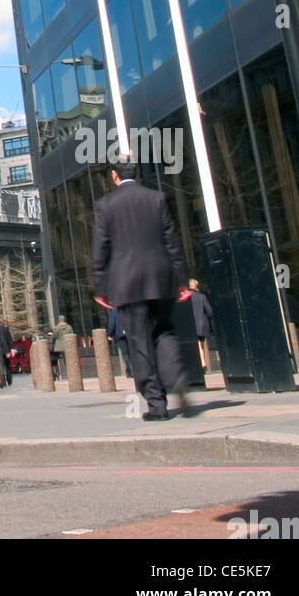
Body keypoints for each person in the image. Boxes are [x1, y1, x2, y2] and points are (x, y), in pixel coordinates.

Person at [92, 162, 191, 421]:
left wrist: (101, 286)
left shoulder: (105, 205)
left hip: (127, 283)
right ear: (136, 174)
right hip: (161, 279)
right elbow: (172, 241)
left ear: (114, 175)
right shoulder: (156, 198)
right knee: (164, 331)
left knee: (139, 341)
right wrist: (182, 280)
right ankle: (176, 377)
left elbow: (101, 248)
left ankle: (157, 405)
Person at [189, 279, 214, 370]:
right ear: (196, 286)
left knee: (197, 343)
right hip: (202, 324)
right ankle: (204, 362)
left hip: (191, 324)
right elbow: (210, 311)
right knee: (202, 343)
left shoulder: (186, 298)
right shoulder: (202, 297)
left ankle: (201, 361)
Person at [106, 306, 132, 378]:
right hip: (129, 333)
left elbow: (112, 324)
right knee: (130, 352)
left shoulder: (114, 311)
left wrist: (110, 334)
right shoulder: (127, 308)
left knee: (125, 354)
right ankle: (129, 371)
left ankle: (131, 371)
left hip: (119, 334)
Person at [51, 316, 74, 381]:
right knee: (69, 360)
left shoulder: (57, 327)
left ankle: (62, 375)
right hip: (68, 345)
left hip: (59, 347)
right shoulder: (69, 327)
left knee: (60, 360)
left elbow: (54, 336)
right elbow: (72, 334)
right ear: (64, 320)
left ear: (59, 320)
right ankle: (71, 374)